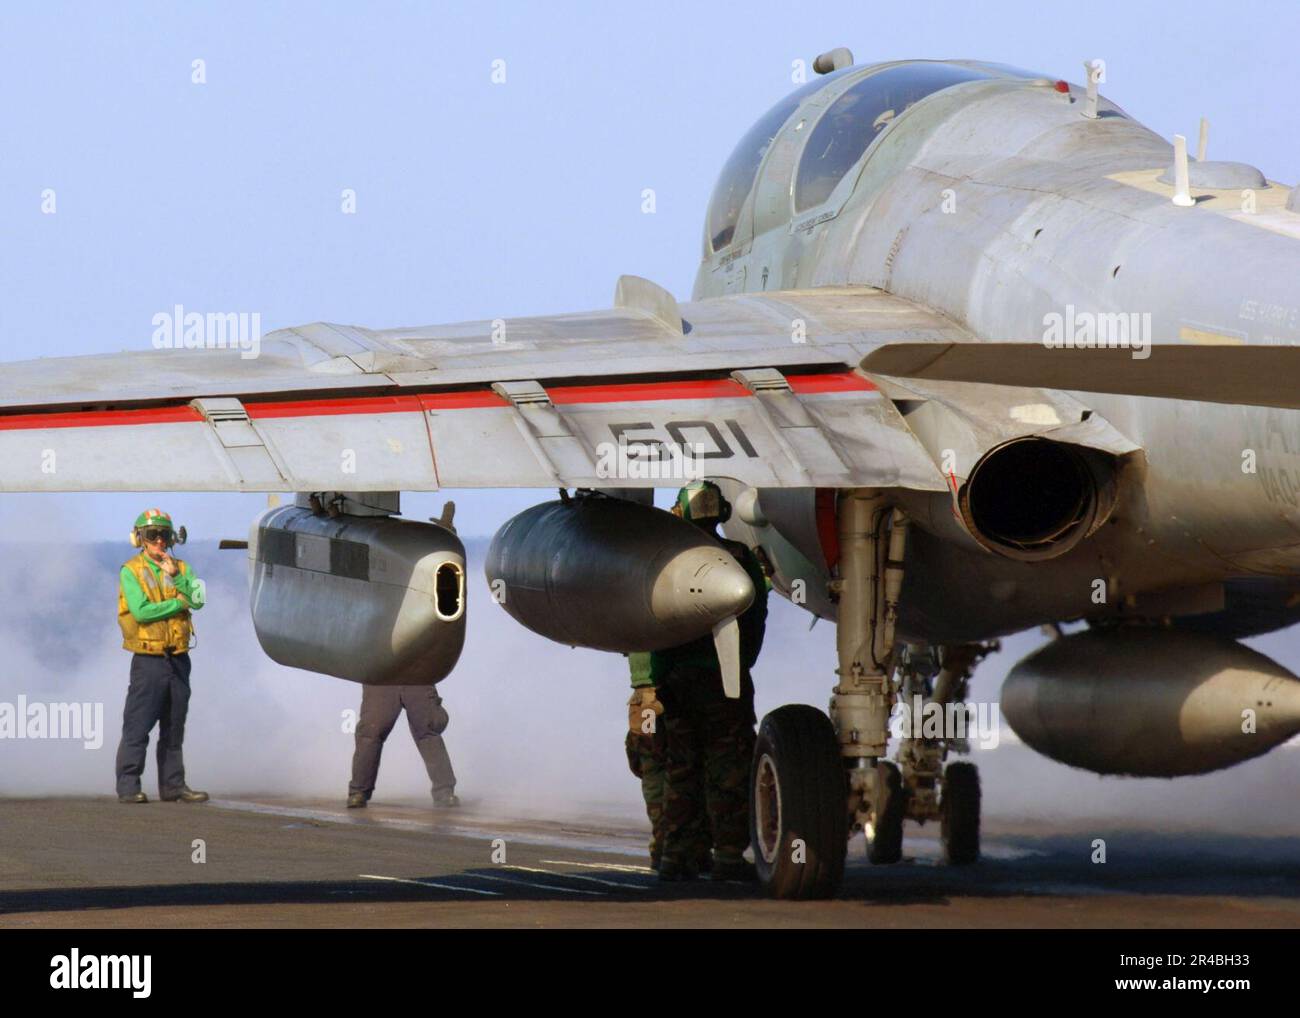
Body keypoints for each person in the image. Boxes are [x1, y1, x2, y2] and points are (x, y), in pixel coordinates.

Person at [653, 481, 769, 882]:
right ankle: (729, 856)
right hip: (726, 683)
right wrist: (741, 665)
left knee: (681, 768)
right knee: (729, 770)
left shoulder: (669, 557)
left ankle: (675, 855)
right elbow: (756, 618)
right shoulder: (739, 559)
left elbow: (654, 626)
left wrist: (656, 678)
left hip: (678, 681)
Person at [114, 509, 209, 804]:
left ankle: (173, 786)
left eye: (164, 535)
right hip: (148, 659)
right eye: (152, 535)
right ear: (140, 538)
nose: (159, 541)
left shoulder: (182, 568)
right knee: (138, 725)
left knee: (174, 725)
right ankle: (129, 788)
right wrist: (176, 604)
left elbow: (199, 599)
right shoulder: (130, 570)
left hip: (178, 658)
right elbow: (141, 611)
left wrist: (178, 579)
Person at [624, 651, 710, 872]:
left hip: (647, 697)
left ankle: (664, 847)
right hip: (663, 692)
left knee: (654, 764)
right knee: (681, 766)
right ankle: (678, 847)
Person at [348, 684, 458, 809]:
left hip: (417, 676)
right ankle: (359, 791)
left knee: (427, 729)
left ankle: (444, 791)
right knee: (370, 732)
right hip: (382, 678)